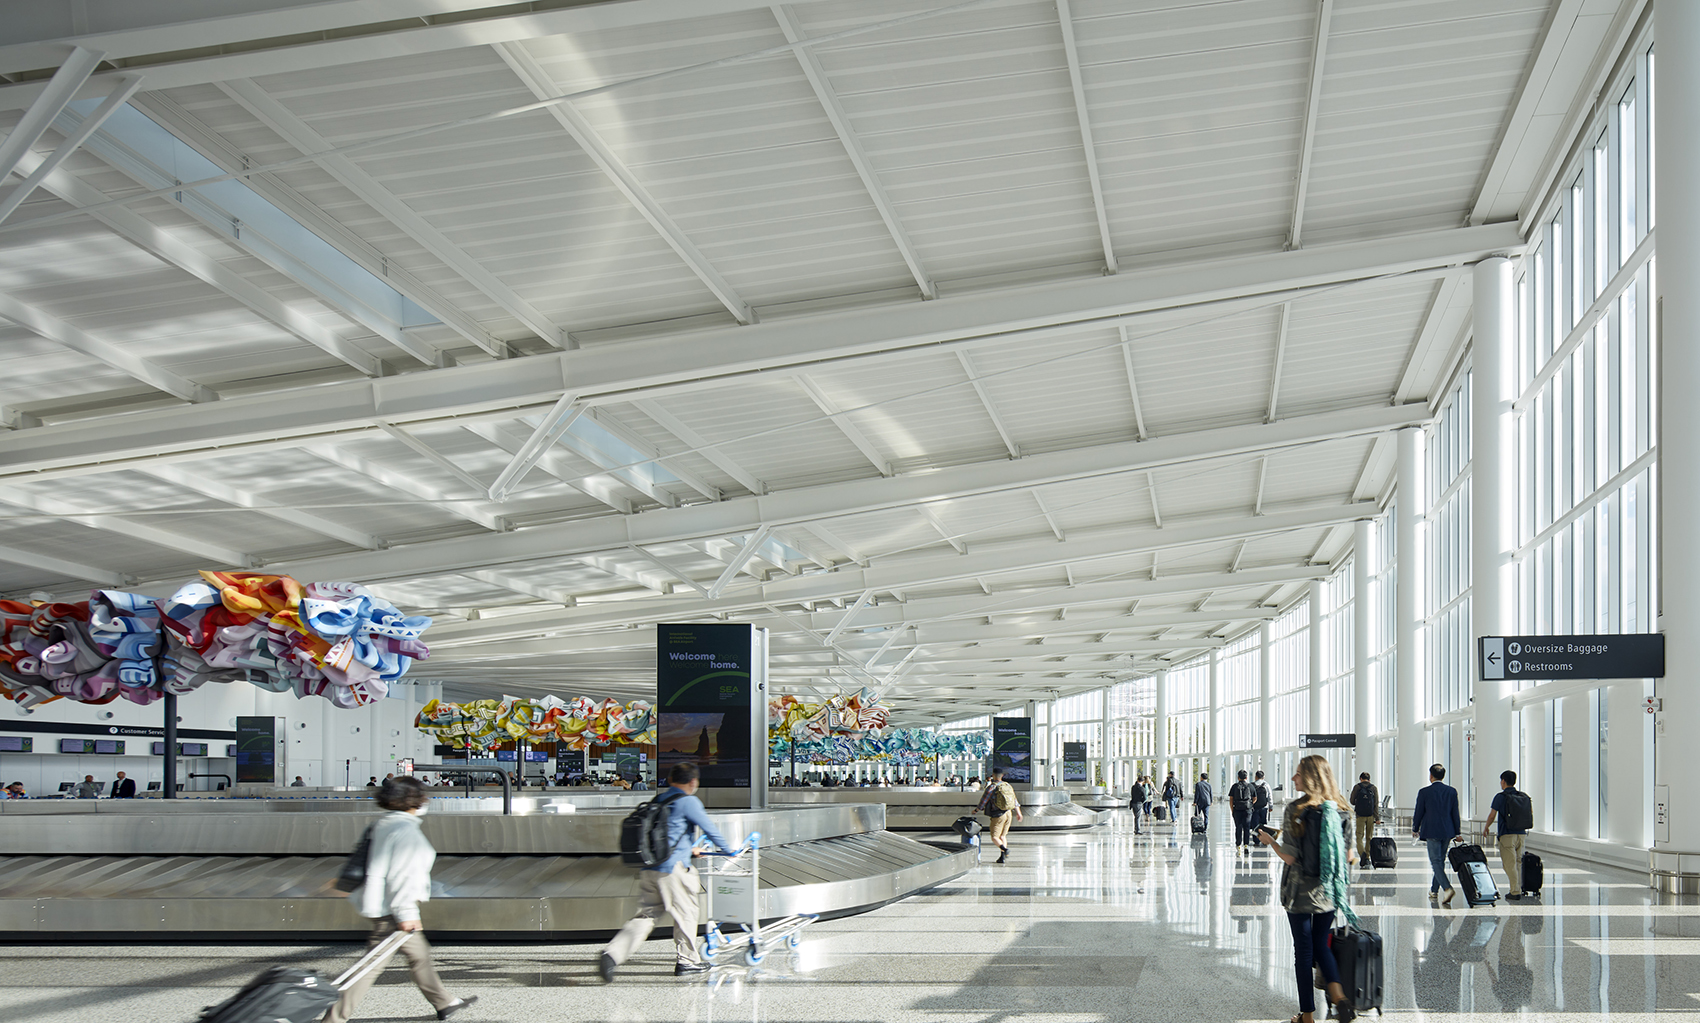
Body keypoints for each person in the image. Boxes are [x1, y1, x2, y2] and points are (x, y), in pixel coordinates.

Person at [324, 776, 477, 1023]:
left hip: (384, 903)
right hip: (393, 911)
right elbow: (403, 876)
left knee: (419, 955)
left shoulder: (384, 824)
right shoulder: (405, 832)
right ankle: (334, 1018)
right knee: (370, 966)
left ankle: (445, 1002)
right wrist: (407, 914)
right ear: (415, 800)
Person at [601, 763, 734, 981]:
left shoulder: (659, 799)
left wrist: (690, 849)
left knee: (647, 915)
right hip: (673, 871)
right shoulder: (689, 801)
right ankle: (688, 961)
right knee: (687, 913)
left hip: (650, 868)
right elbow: (710, 829)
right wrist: (729, 850)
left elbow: (665, 835)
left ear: (671, 780)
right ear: (693, 781)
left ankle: (612, 954)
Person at [1259, 754, 1359, 1023]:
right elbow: (1350, 856)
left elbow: (1290, 857)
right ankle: (1340, 997)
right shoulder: (1342, 809)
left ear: (1311, 777)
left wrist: (1271, 841)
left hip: (1299, 892)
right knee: (1321, 944)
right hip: (1329, 892)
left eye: (1298, 774)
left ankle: (1307, 1015)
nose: (1294, 778)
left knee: (1303, 951)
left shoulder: (1296, 810)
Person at [1411, 763, 1462, 906]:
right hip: (1447, 831)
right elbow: (1455, 813)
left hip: (1432, 830)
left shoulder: (1424, 792)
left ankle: (1447, 888)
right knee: (1440, 861)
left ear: (1431, 776)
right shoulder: (1451, 791)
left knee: (1435, 862)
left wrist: (1415, 828)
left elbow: (1419, 812)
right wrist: (1457, 832)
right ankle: (1434, 890)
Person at [1482, 769, 1531, 900]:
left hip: (1507, 835)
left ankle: (1515, 891)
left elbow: (1492, 815)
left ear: (1503, 781)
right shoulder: (1524, 796)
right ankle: (1518, 888)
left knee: (1509, 864)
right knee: (1518, 862)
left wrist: (1486, 827)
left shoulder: (1500, 797)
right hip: (1521, 834)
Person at [975, 767, 1024, 863]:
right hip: (1008, 813)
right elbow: (1015, 801)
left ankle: (1005, 849)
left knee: (995, 837)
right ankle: (1002, 857)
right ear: (1002, 775)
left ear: (993, 775)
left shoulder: (991, 787)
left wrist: (976, 810)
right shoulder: (1007, 786)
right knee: (1002, 836)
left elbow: (983, 801)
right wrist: (1019, 813)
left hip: (998, 815)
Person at [1349, 772, 1379, 864]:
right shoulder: (1373, 788)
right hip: (1370, 816)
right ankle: (1367, 857)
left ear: (1361, 779)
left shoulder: (1357, 787)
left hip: (1360, 816)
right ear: (1369, 780)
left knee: (1359, 836)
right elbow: (1376, 804)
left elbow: (1352, 801)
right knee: (1369, 837)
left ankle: (1362, 853)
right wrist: (1377, 818)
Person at [1229, 769, 1256, 852]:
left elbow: (1231, 799)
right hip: (1247, 810)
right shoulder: (1250, 786)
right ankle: (1246, 845)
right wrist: (1250, 804)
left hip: (1237, 809)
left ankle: (1238, 845)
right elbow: (1255, 798)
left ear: (1238, 777)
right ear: (1246, 777)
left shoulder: (1234, 786)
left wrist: (1232, 810)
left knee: (1238, 827)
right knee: (1247, 827)